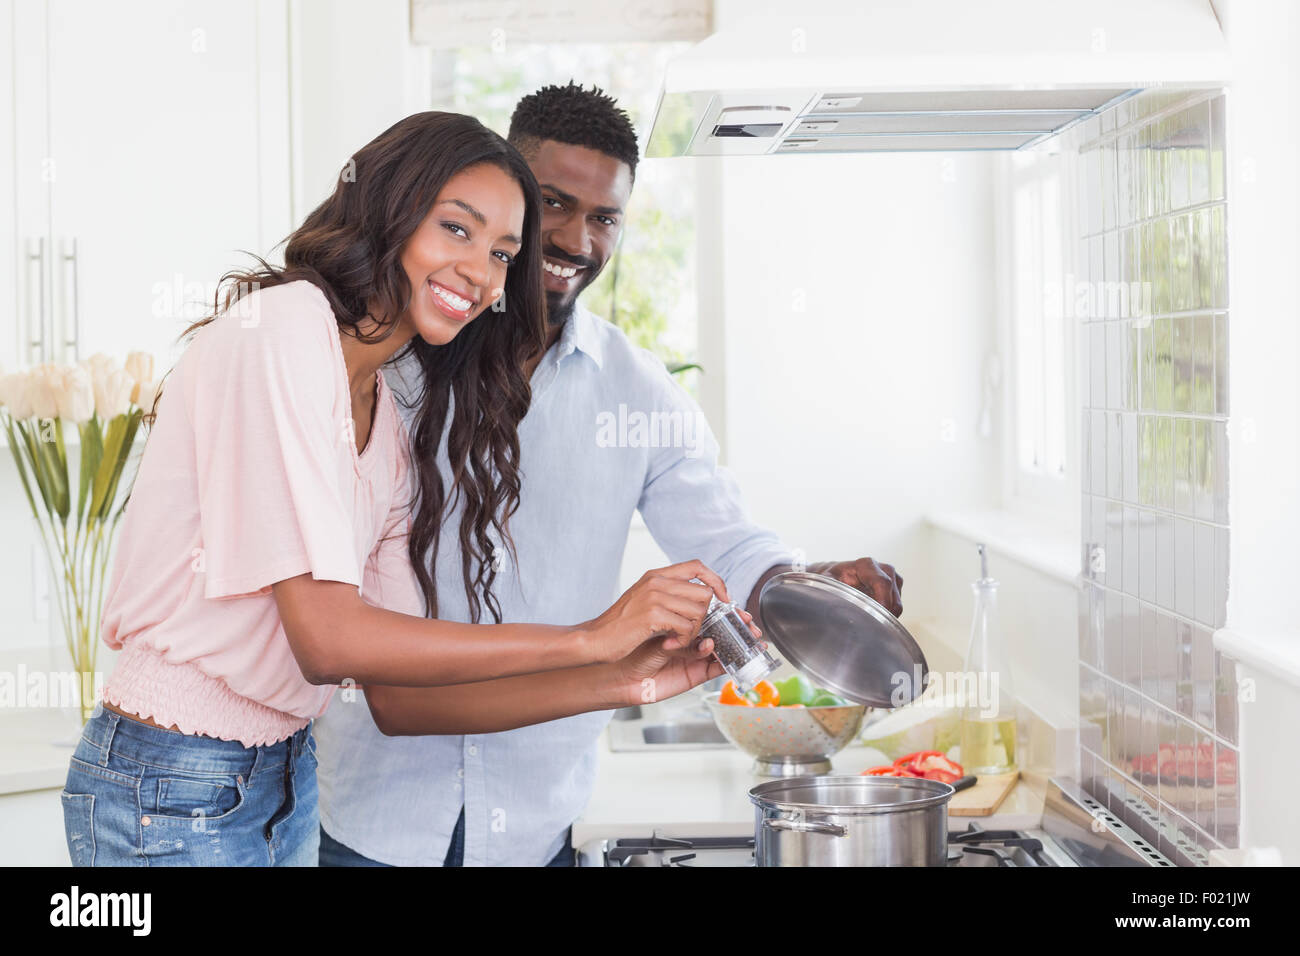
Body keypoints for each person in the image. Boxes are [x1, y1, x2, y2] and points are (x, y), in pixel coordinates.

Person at [59, 110, 736, 867]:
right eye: (456, 229)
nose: (480, 272)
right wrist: (589, 636)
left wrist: (620, 680)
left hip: (282, 780)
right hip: (172, 776)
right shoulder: (284, 331)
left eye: (502, 253)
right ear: (392, 207)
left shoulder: (385, 412)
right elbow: (327, 639)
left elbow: (404, 700)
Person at [313, 83, 905, 868]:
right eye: (552, 203)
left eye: (604, 217)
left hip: (537, 827)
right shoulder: (394, 364)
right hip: (368, 821)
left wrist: (811, 589)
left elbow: (729, 541)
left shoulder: (636, 389)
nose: (575, 238)